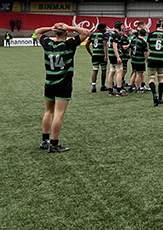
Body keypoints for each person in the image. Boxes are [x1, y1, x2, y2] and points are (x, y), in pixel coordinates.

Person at [34, 22, 91, 153]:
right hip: (63, 83)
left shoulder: (48, 44)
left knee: (48, 111)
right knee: (59, 114)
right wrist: (68, 27)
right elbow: (86, 32)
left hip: (49, 82)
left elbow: (37, 31)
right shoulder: (69, 44)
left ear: (54, 33)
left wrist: (51, 28)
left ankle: (45, 140)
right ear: (66, 33)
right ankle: (54, 144)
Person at [147, 20, 163, 105]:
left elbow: (148, 47)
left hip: (152, 58)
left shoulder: (151, 34)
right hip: (161, 59)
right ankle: (160, 98)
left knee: (151, 78)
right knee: (161, 79)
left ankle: (154, 94)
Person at [107, 21, 129, 97]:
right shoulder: (116, 35)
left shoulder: (112, 33)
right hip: (115, 55)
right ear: (119, 26)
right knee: (119, 72)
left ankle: (110, 90)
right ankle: (119, 90)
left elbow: (109, 44)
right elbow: (114, 45)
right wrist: (118, 56)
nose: (123, 27)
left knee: (112, 72)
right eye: (122, 26)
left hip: (110, 54)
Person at [87, 23, 108, 93]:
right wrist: (105, 56)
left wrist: (91, 53)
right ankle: (103, 86)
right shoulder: (104, 35)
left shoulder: (92, 34)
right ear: (102, 28)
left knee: (95, 70)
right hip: (101, 55)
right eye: (105, 28)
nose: (106, 29)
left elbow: (87, 45)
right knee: (103, 70)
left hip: (95, 55)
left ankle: (93, 86)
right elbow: (104, 45)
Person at [128, 28, 149, 92]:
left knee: (134, 72)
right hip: (140, 60)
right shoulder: (143, 42)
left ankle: (131, 86)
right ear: (145, 34)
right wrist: (147, 60)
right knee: (139, 74)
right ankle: (137, 88)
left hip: (133, 59)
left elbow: (130, 48)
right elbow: (145, 53)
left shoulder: (134, 40)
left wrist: (131, 55)